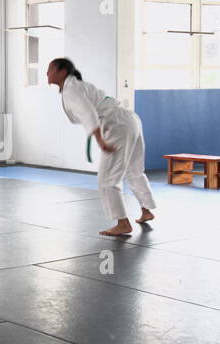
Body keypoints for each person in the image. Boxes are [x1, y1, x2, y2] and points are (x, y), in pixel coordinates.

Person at [47, 58, 156, 236]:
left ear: (62, 72)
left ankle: (122, 223)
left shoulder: (72, 90)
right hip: (130, 119)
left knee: (107, 179)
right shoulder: (76, 86)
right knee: (134, 170)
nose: (47, 73)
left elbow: (89, 114)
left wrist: (100, 140)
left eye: (50, 70)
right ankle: (146, 210)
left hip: (116, 126)